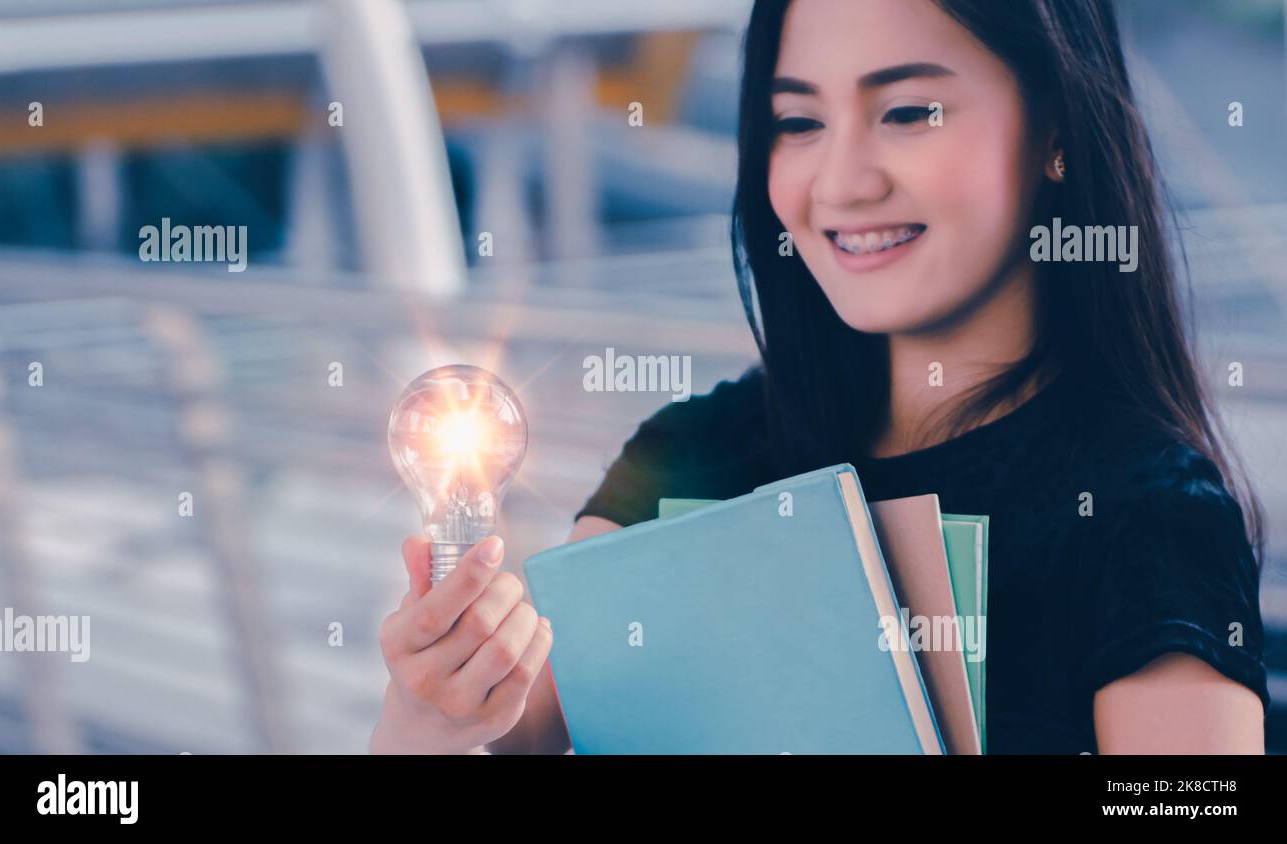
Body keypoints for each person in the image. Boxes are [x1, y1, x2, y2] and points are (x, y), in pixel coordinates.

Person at [371, 0, 1269, 755]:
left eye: (910, 112)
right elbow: (498, 731)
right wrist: (427, 704)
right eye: (798, 122)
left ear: (1058, 131)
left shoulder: (1147, 513)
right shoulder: (692, 456)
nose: (839, 183)